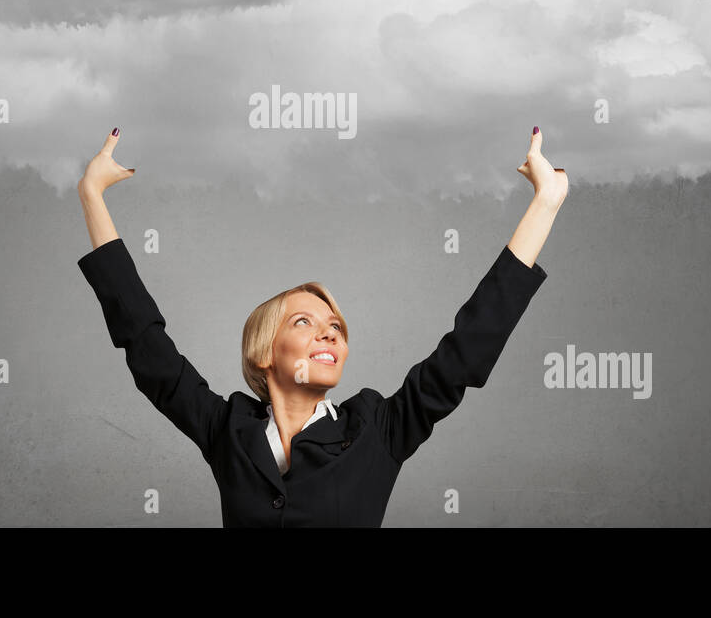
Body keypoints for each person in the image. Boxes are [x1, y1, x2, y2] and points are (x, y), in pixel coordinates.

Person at [76, 125, 567, 526]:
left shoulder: (377, 429)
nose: (330, 333)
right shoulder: (228, 430)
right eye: (305, 322)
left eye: (335, 325)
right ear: (264, 353)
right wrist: (92, 194)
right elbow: (146, 345)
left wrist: (545, 202)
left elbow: (466, 350)